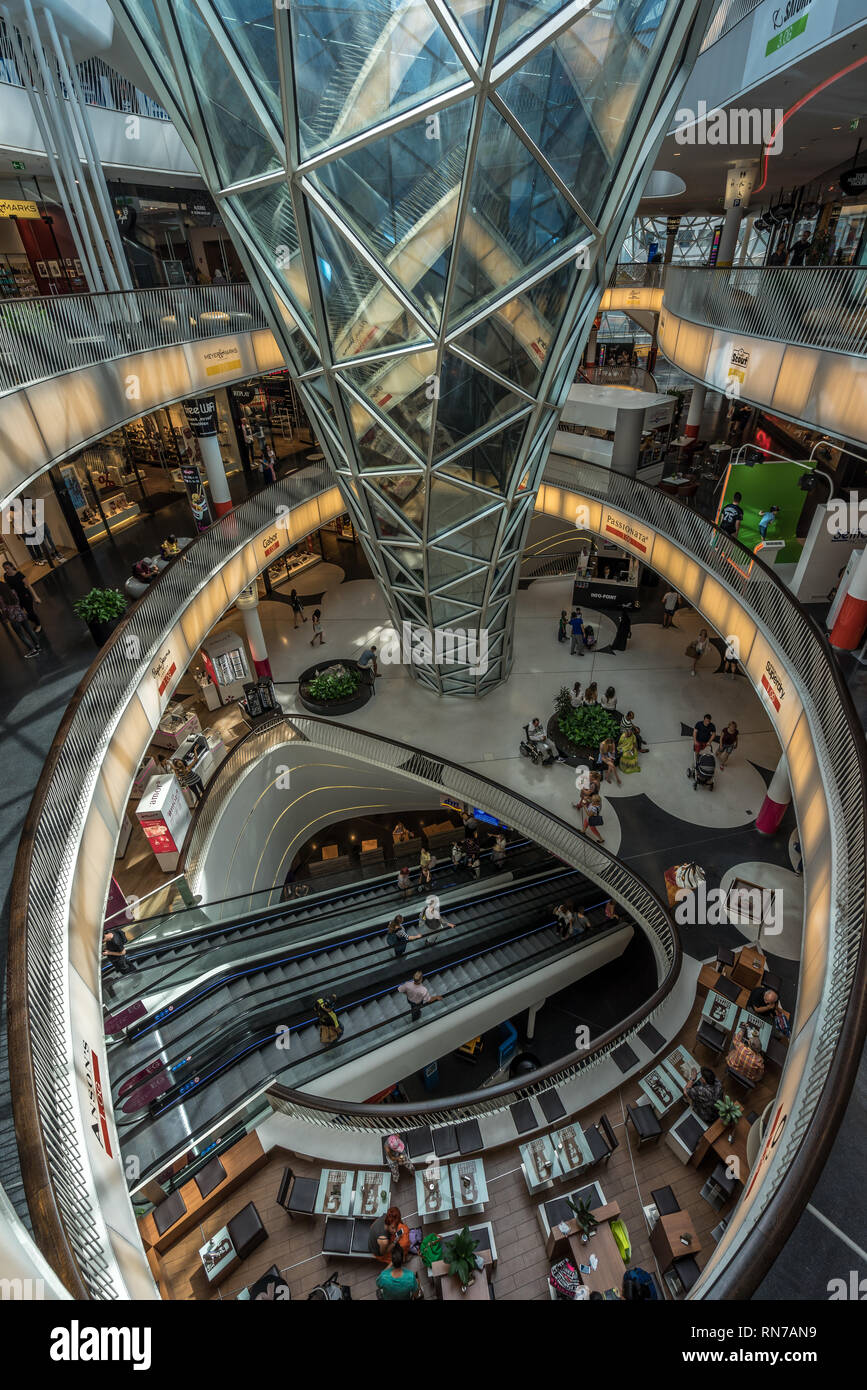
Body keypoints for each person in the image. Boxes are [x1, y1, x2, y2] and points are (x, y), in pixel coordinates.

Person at [0, 582, 41, 656]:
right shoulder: (12, 591)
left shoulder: (0, 598)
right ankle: (38, 646)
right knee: (30, 631)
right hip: (22, 614)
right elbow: (18, 601)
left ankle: (33, 650)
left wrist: (5, 618)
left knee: (22, 636)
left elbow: (4, 609)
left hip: (14, 618)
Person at [2, 560, 41, 629]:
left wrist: (36, 597)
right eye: (5, 569)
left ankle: (38, 624)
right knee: (19, 613)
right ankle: (28, 621)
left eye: (8, 568)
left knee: (30, 612)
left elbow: (29, 586)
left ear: (12, 567)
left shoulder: (19, 575)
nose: (6, 570)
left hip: (25, 596)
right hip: (17, 598)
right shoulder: (6, 576)